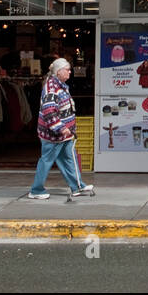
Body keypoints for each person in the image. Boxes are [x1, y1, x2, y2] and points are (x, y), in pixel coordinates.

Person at [27, 58, 95, 200]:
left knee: (69, 159)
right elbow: (49, 111)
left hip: (63, 134)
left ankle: (77, 185)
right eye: (67, 69)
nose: (70, 72)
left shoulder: (59, 85)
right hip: (53, 135)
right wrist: (61, 128)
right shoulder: (52, 88)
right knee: (47, 161)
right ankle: (36, 190)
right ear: (59, 71)